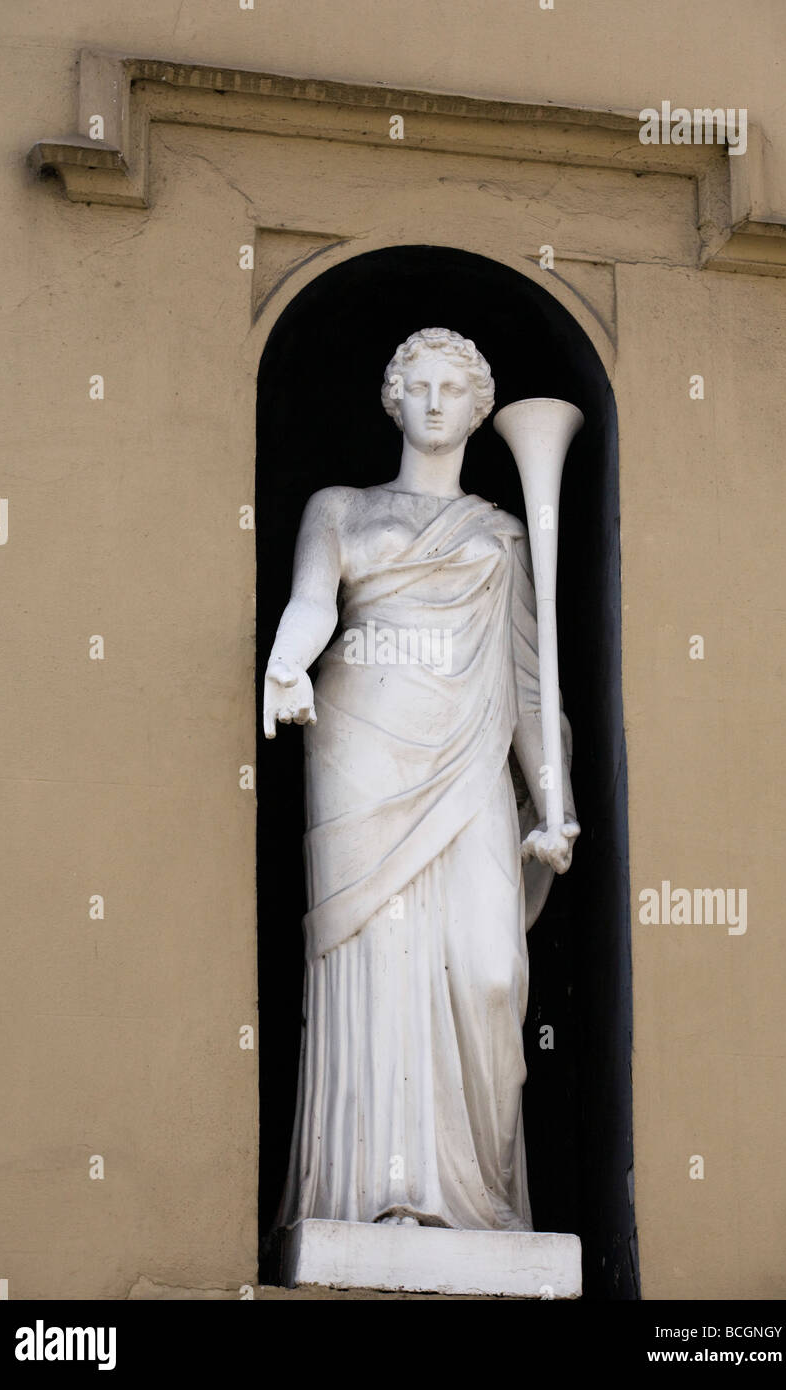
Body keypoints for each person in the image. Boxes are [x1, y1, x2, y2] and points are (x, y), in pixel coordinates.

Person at [264, 327, 579, 1232]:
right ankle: (373, 1199)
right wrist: (289, 662)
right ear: (391, 399)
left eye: (454, 388)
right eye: (419, 385)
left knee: (485, 972)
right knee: (380, 961)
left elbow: (529, 685)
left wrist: (554, 801)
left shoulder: (499, 536)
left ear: (480, 411)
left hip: (470, 759)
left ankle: (475, 1204)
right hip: (360, 755)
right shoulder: (340, 507)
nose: (435, 402)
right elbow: (313, 599)